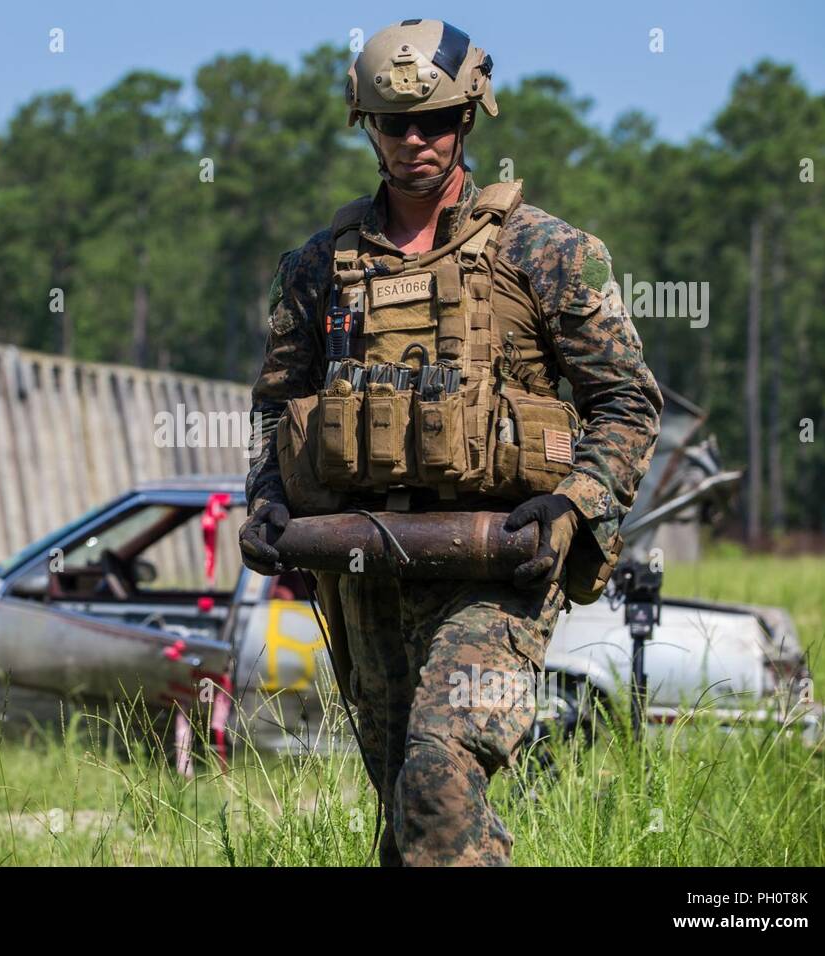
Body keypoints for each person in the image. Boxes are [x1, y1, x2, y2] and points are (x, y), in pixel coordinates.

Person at [239, 19, 662, 866]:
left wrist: (572, 504)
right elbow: (277, 410)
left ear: (469, 116)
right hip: (366, 568)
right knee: (408, 810)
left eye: (434, 120)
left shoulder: (547, 252)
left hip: (496, 563)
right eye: (396, 124)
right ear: (368, 125)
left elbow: (626, 403)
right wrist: (269, 498)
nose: (415, 140)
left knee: (439, 776)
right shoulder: (318, 269)